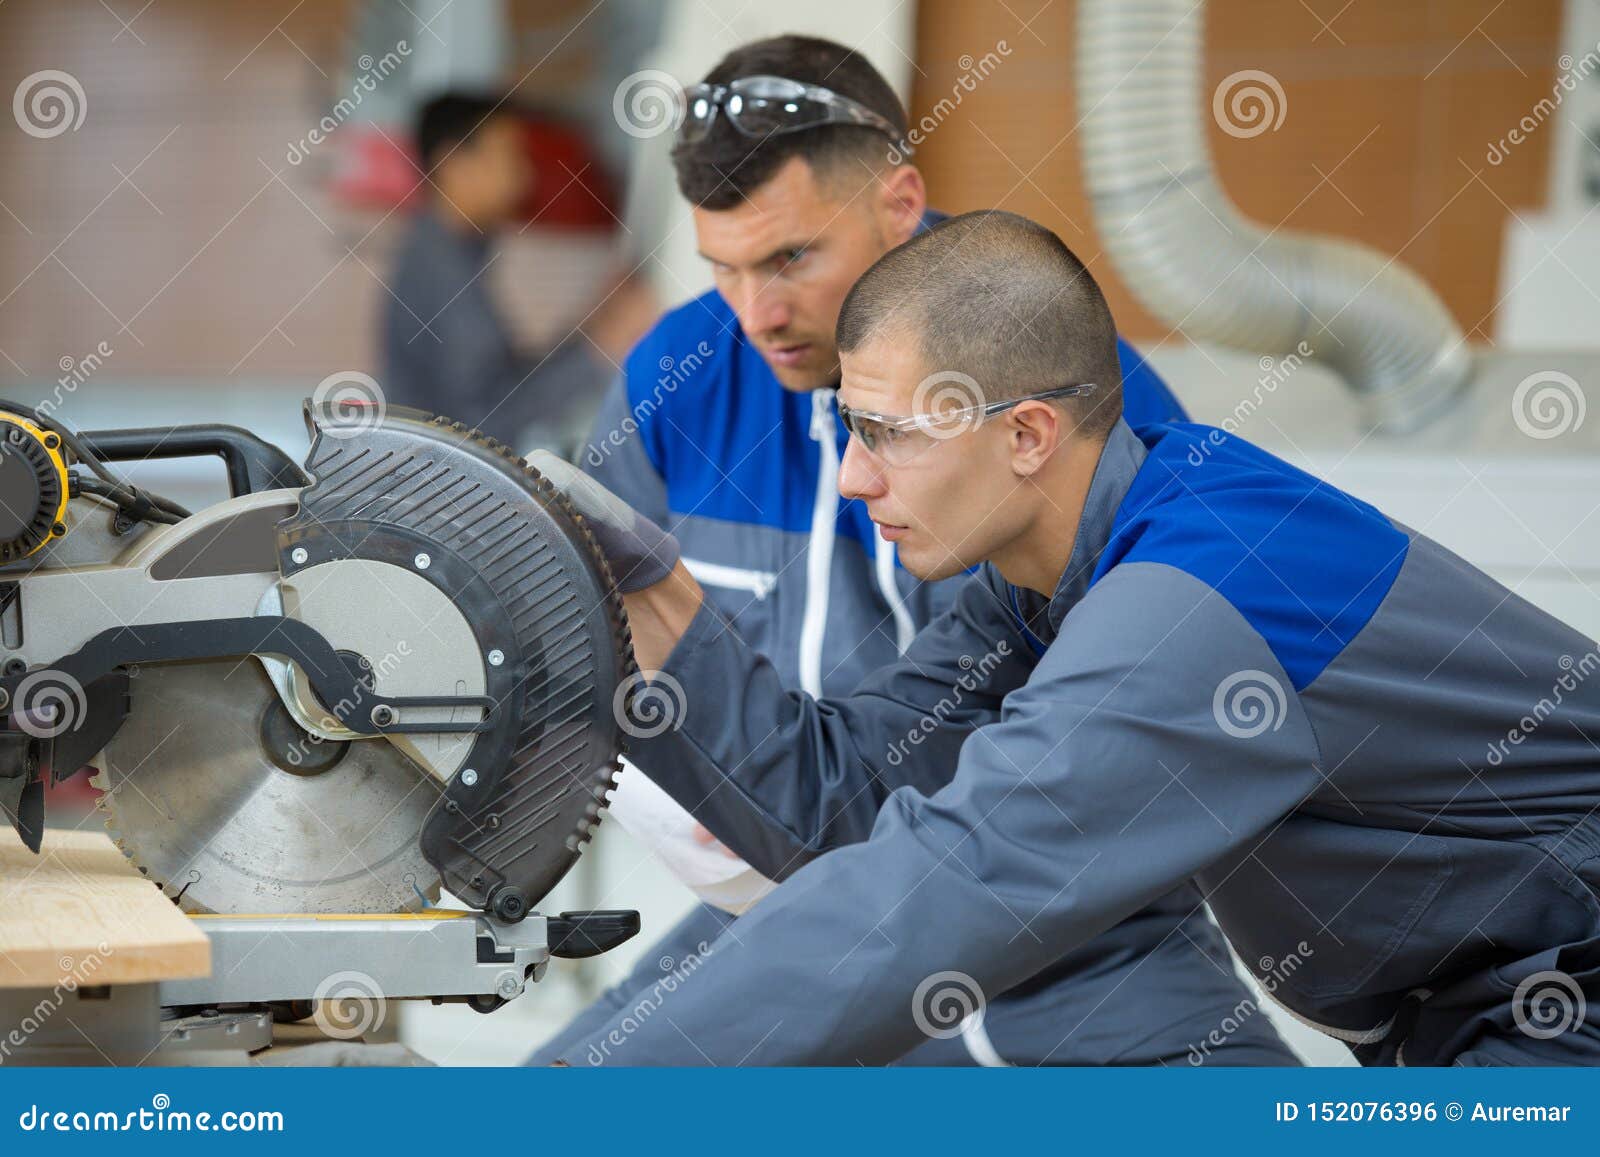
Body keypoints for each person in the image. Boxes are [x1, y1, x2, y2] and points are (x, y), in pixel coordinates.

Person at [538, 209, 1600, 1067]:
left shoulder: (1190, 603)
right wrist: (655, 610)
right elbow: (851, 802)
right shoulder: (1057, 570)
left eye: (885, 435)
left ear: (1027, 432)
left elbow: (941, 889)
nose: (854, 478)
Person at [529, 37, 1294, 1067]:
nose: (757, 313)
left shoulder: (1059, 385)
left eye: (791, 258)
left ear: (899, 202)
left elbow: (1101, 755)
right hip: (785, 898)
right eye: (724, 267)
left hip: (1065, 934)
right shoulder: (680, 375)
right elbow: (607, 640)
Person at [382, 92, 651, 452]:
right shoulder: (442, 274)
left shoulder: (449, 250)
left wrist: (595, 326)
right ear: (453, 163)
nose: (523, 173)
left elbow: (505, 380)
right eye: (509, 155)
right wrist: (598, 351)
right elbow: (486, 424)